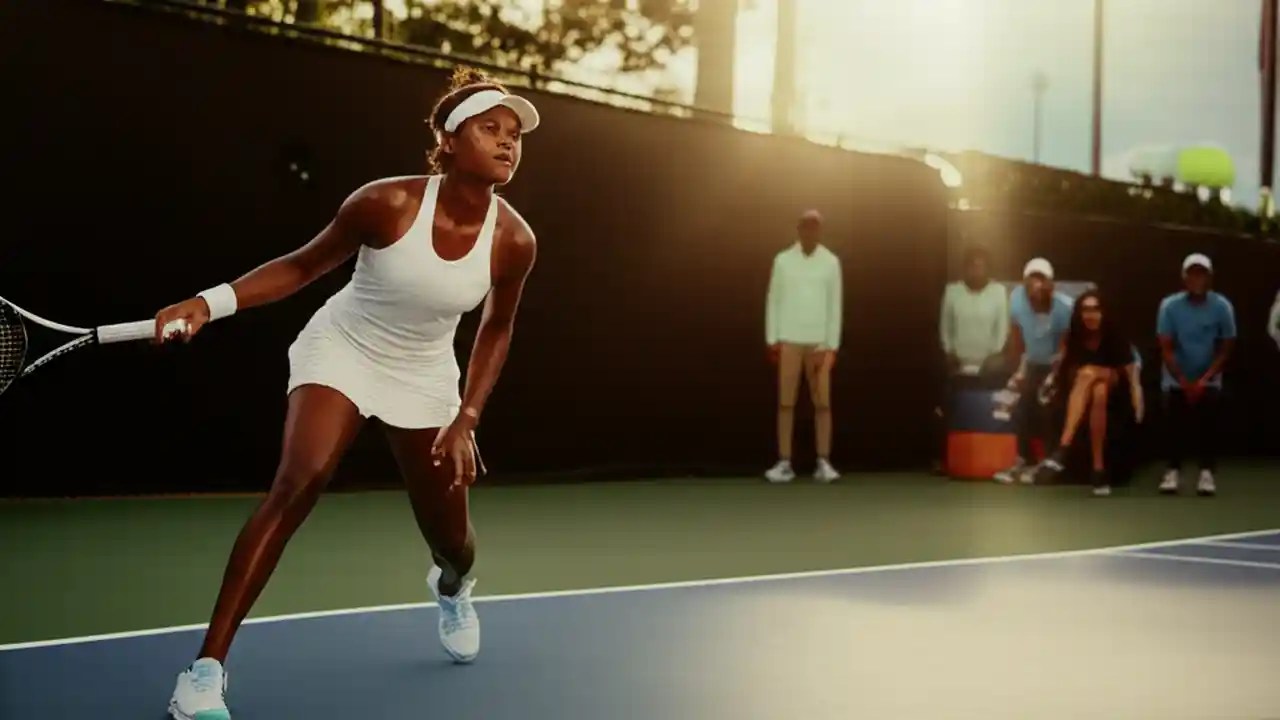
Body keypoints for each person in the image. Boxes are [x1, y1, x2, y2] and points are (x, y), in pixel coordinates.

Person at [154, 66, 541, 720]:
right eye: (489, 128)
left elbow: (496, 330)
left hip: (426, 375)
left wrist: (467, 414)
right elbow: (303, 266)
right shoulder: (384, 204)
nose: (508, 142)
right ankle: (204, 671)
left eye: (514, 134)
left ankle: (452, 585)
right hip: (344, 347)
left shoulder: (514, 240)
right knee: (300, 478)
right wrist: (207, 303)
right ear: (448, 142)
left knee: (455, 539)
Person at [1036, 290, 1143, 496]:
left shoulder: (1115, 336)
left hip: (1115, 387)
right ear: (1079, 313)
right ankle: (1098, 469)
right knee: (1098, 392)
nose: (1090, 315)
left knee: (1089, 374)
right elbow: (1061, 368)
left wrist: (1138, 407)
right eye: (1086, 310)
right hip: (1086, 393)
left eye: (1095, 309)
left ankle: (1063, 447)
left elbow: (1132, 379)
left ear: (1103, 313)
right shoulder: (1074, 336)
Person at [764, 209, 843, 483]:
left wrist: (831, 345)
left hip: (819, 344)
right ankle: (785, 462)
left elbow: (835, 305)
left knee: (823, 404)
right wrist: (772, 339)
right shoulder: (783, 261)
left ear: (820, 231)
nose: (810, 233)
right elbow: (773, 299)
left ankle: (823, 461)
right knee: (786, 403)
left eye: (815, 228)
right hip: (789, 341)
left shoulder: (831, 262)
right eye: (806, 228)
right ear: (798, 230)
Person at [1156, 253, 1236, 497]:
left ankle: (1206, 472)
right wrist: (1183, 382)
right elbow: (1166, 348)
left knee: (1210, 413)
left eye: (1201, 273)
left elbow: (1226, 349)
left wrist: (1204, 381)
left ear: (1209, 278)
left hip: (1208, 375)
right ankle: (1172, 471)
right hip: (1176, 376)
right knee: (1173, 415)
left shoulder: (1222, 306)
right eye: (1192, 273)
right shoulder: (1169, 306)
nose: (1196, 278)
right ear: (1184, 278)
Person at [993, 258, 1072, 484]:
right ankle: (1021, 459)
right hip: (1032, 362)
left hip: (1059, 365)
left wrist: (1053, 377)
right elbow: (1017, 339)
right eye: (1031, 279)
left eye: (1041, 279)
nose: (1035, 284)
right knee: (1021, 404)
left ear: (1050, 285)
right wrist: (1018, 371)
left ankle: (1046, 461)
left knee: (1047, 409)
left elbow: (1065, 346)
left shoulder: (1065, 307)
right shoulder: (1016, 299)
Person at [938, 244, 1009, 378]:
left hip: (990, 363)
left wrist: (993, 356)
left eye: (981, 266)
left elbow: (1002, 330)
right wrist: (949, 353)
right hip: (957, 362)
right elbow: (945, 329)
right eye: (972, 266)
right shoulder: (952, 291)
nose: (977, 270)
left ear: (988, 269)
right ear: (965, 268)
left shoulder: (998, 291)